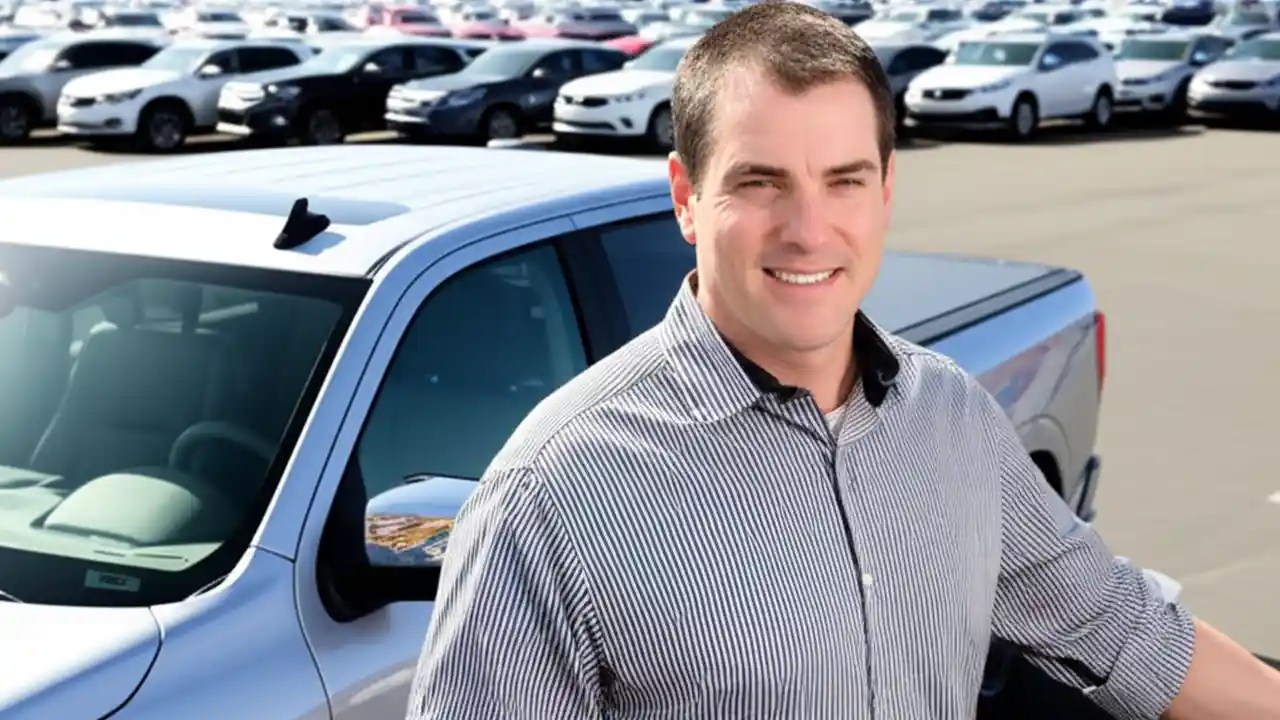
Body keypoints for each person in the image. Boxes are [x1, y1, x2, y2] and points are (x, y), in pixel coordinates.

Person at [405, 3, 1280, 718]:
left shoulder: (953, 419)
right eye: (761, 182)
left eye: (844, 180)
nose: (809, 230)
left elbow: (1123, 629)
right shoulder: (552, 496)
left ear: (887, 193)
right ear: (685, 197)